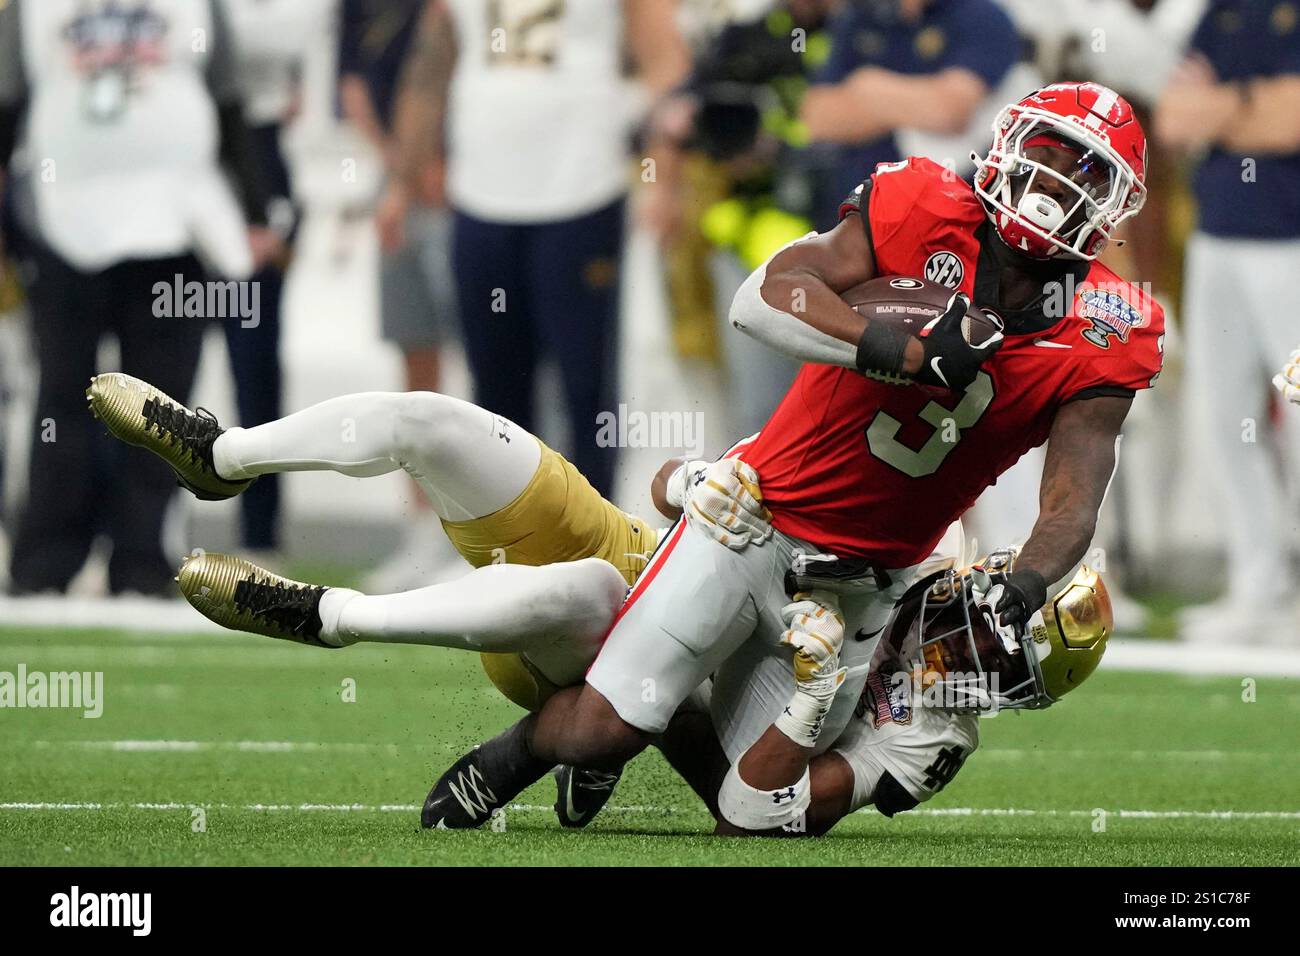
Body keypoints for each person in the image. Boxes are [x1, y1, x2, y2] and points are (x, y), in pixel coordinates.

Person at [422, 81, 1164, 831]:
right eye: (1047, 155)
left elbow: (1073, 497)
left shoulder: (1112, 328)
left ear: (1116, 205)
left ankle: (667, 688)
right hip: (757, 513)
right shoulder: (922, 204)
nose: (1059, 183)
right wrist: (895, 349)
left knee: (753, 805)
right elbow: (766, 297)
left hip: (863, 585)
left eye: (1088, 173)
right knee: (601, 729)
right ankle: (517, 754)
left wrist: (1028, 583)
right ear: (1006, 147)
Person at [85, 370, 1111, 836]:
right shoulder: (923, 529)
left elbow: (753, 806)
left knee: (592, 597)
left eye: (994, 648)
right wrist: (689, 483)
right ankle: (221, 457)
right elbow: (685, 482)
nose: (970, 630)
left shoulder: (926, 740)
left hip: (600, 642)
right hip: (646, 556)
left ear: (1006, 688)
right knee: (426, 422)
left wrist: (803, 696)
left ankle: (328, 615)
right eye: (993, 607)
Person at [0, 0, 275, 596]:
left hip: (174, 225)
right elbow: (8, 101)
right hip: (62, 223)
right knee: (62, 397)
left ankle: (146, 559)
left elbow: (226, 102)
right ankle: (45, 559)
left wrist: (253, 210)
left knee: (161, 408)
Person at [390, 0, 690, 498]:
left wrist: (661, 173)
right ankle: (505, 555)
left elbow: (666, 61)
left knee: (586, 390)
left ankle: (596, 550)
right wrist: (401, 182)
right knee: (494, 397)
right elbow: (433, 59)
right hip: (481, 191)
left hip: (582, 189)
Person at [1156, 0, 1300, 643]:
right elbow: (1172, 120)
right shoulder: (1225, 11)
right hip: (1218, 240)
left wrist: (1223, 106)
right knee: (1227, 418)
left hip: (1290, 243)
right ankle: (1256, 584)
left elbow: (1291, 122)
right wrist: (1252, 106)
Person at [338, 0, 465, 590]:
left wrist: (438, 168)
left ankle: (504, 527)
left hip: (471, 190)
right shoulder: (358, 8)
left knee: (496, 360)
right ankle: (423, 533)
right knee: (416, 360)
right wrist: (404, 171)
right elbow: (354, 89)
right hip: (403, 186)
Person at [801, 0, 1022, 229]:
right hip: (852, 211)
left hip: (942, 217)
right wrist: (910, 104)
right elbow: (817, 118)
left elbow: (949, 111)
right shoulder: (859, 17)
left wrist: (869, 87)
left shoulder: (981, 16)